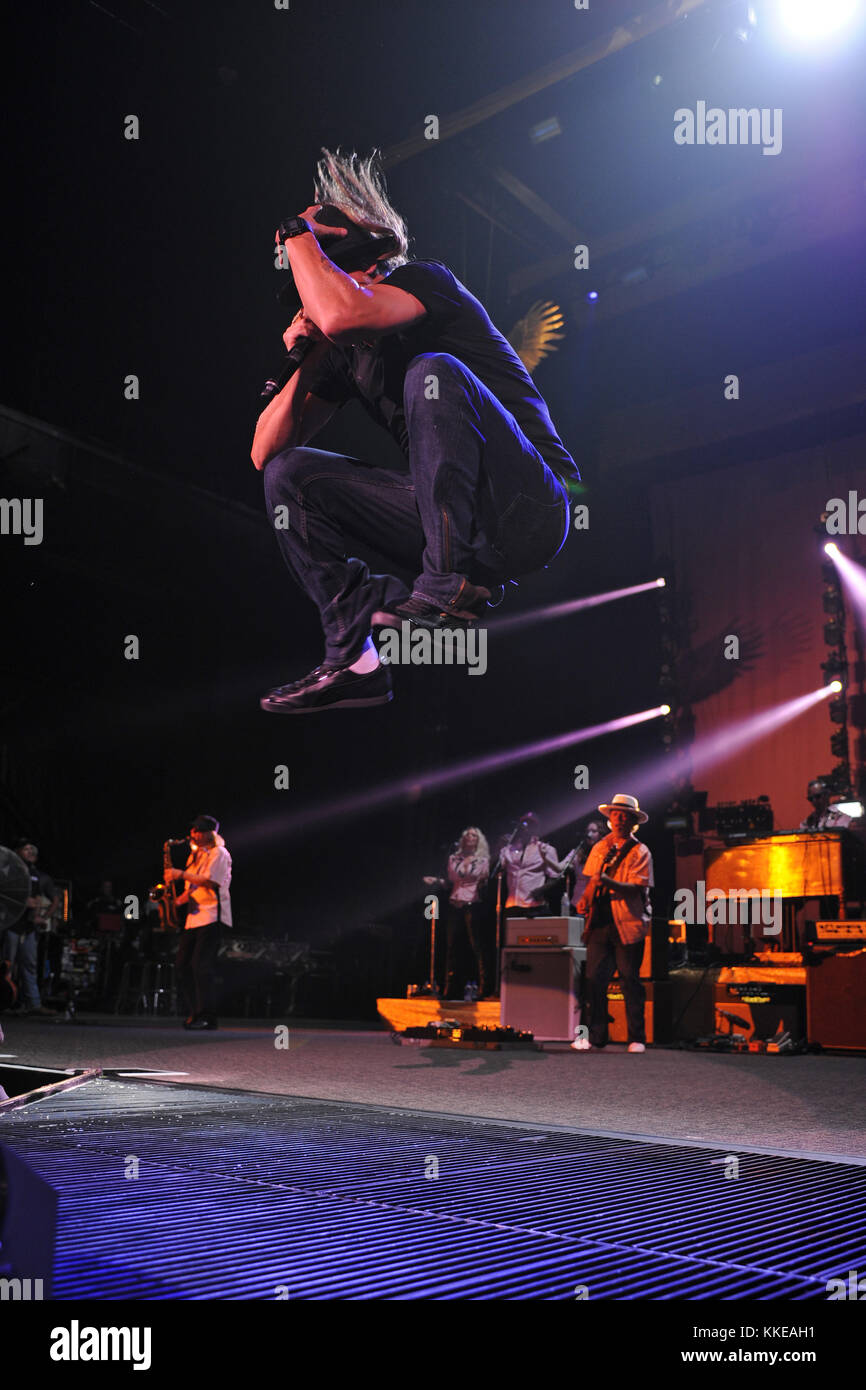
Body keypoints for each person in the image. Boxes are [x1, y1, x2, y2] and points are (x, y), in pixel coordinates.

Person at [252, 149, 578, 713]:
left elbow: (342, 313)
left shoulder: (425, 283)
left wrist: (295, 232)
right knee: (291, 475)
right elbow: (265, 451)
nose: (308, 300)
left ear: (364, 267)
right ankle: (353, 657)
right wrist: (308, 357)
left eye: (316, 282)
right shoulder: (343, 350)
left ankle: (445, 594)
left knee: (434, 372)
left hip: (529, 502)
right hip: (455, 520)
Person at [572, 795, 653, 1054]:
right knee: (594, 979)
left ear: (632, 821)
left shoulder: (640, 851)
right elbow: (592, 881)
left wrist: (608, 882)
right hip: (599, 921)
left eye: (623, 815)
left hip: (628, 922)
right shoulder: (600, 847)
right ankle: (596, 1036)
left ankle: (636, 1038)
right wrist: (584, 900)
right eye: (615, 814)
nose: (618, 818)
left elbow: (636, 887)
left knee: (629, 979)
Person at [165, 815, 232, 1031]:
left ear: (210, 833)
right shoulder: (196, 856)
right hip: (193, 918)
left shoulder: (219, 853)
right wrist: (174, 901)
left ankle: (208, 1016)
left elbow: (211, 881)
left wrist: (179, 874)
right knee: (182, 966)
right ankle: (195, 1012)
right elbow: (192, 888)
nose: (194, 834)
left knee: (201, 966)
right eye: (194, 830)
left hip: (212, 915)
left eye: (199, 831)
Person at [424, 827, 490, 998]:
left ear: (478, 840)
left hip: (473, 903)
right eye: (467, 834)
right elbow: (451, 881)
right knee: (453, 947)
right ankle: (452, 989)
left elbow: (483, 880)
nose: (470, 837)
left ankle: (483, 988)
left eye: (474, 835)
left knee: (476, 946)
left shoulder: (482, 860)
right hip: (455, 903)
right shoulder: (453, 858)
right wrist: (437, 880)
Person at [0, 840, 59, 1016]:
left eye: (32, 849)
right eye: (26, 849)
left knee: (29, 965)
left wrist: (41, 916)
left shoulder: (36, 875)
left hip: (28, 928)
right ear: (17, 852)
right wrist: (22, 901)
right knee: (6, 966)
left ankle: (33, 1003)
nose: (30, 852)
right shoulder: (8, 871)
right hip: (11, 925)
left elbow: (46, 898)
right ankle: (4, 1002)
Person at [500, 814, 573, 917]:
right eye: (524, 823)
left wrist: (541, 890)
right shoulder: (509, 849)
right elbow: (500, 871)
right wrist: (501, 847)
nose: (526, 827)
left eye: (531, 824)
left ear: (537, 828)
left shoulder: (545, 849)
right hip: (512, 905)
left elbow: (556, 877)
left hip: (534, 906)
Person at [569, 817, 606, 910]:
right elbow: (560, 868)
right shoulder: (578, 852)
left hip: (595, 904)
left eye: (594, 831)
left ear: (601, 834)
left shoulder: (605, 853)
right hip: (577, 902)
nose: (589, 834)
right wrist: (545, 857)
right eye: (588, 831)